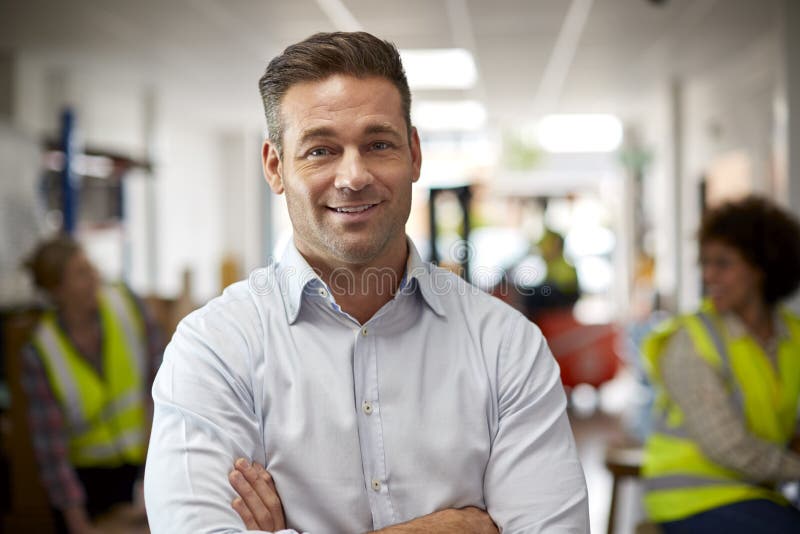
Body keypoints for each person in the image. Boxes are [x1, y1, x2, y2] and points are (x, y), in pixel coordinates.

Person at [144, 31, 589, 533]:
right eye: (320, 151)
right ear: (275, 167)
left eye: (378, 144)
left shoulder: (506, 345)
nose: (353, 176)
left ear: (414, 154)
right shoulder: (215, 349)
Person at [641, 196, 800, 533]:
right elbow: (727, 446)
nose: (708, 275)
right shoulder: (691, 339)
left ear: (762, 267)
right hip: (690, 495)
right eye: (705, 263)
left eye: (723, 263)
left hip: (758, 491)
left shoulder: (792, 334)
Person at [21, 235, 163, 533]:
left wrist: (156, 472)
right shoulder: (41, 352)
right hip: (82, 487)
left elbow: (164, 385)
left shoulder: (127, 307)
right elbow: (51, 449)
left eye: (91, 267)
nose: (94, 277)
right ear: (57, 289)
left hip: (140, 467)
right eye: (81, 273)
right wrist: (79, 523)